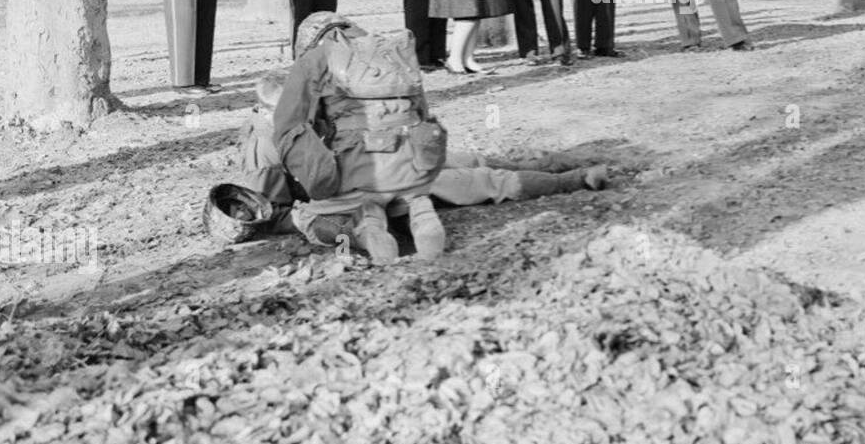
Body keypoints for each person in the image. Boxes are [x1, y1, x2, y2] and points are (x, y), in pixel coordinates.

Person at [237, 14, 608, 262]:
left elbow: (273, 193)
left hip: (350, 184)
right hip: (412, 166)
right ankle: (568, 177)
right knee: (487, 175)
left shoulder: (298, 88)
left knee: (325, 218)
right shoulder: (384, 60)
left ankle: (374, 238)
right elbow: (425, 118)